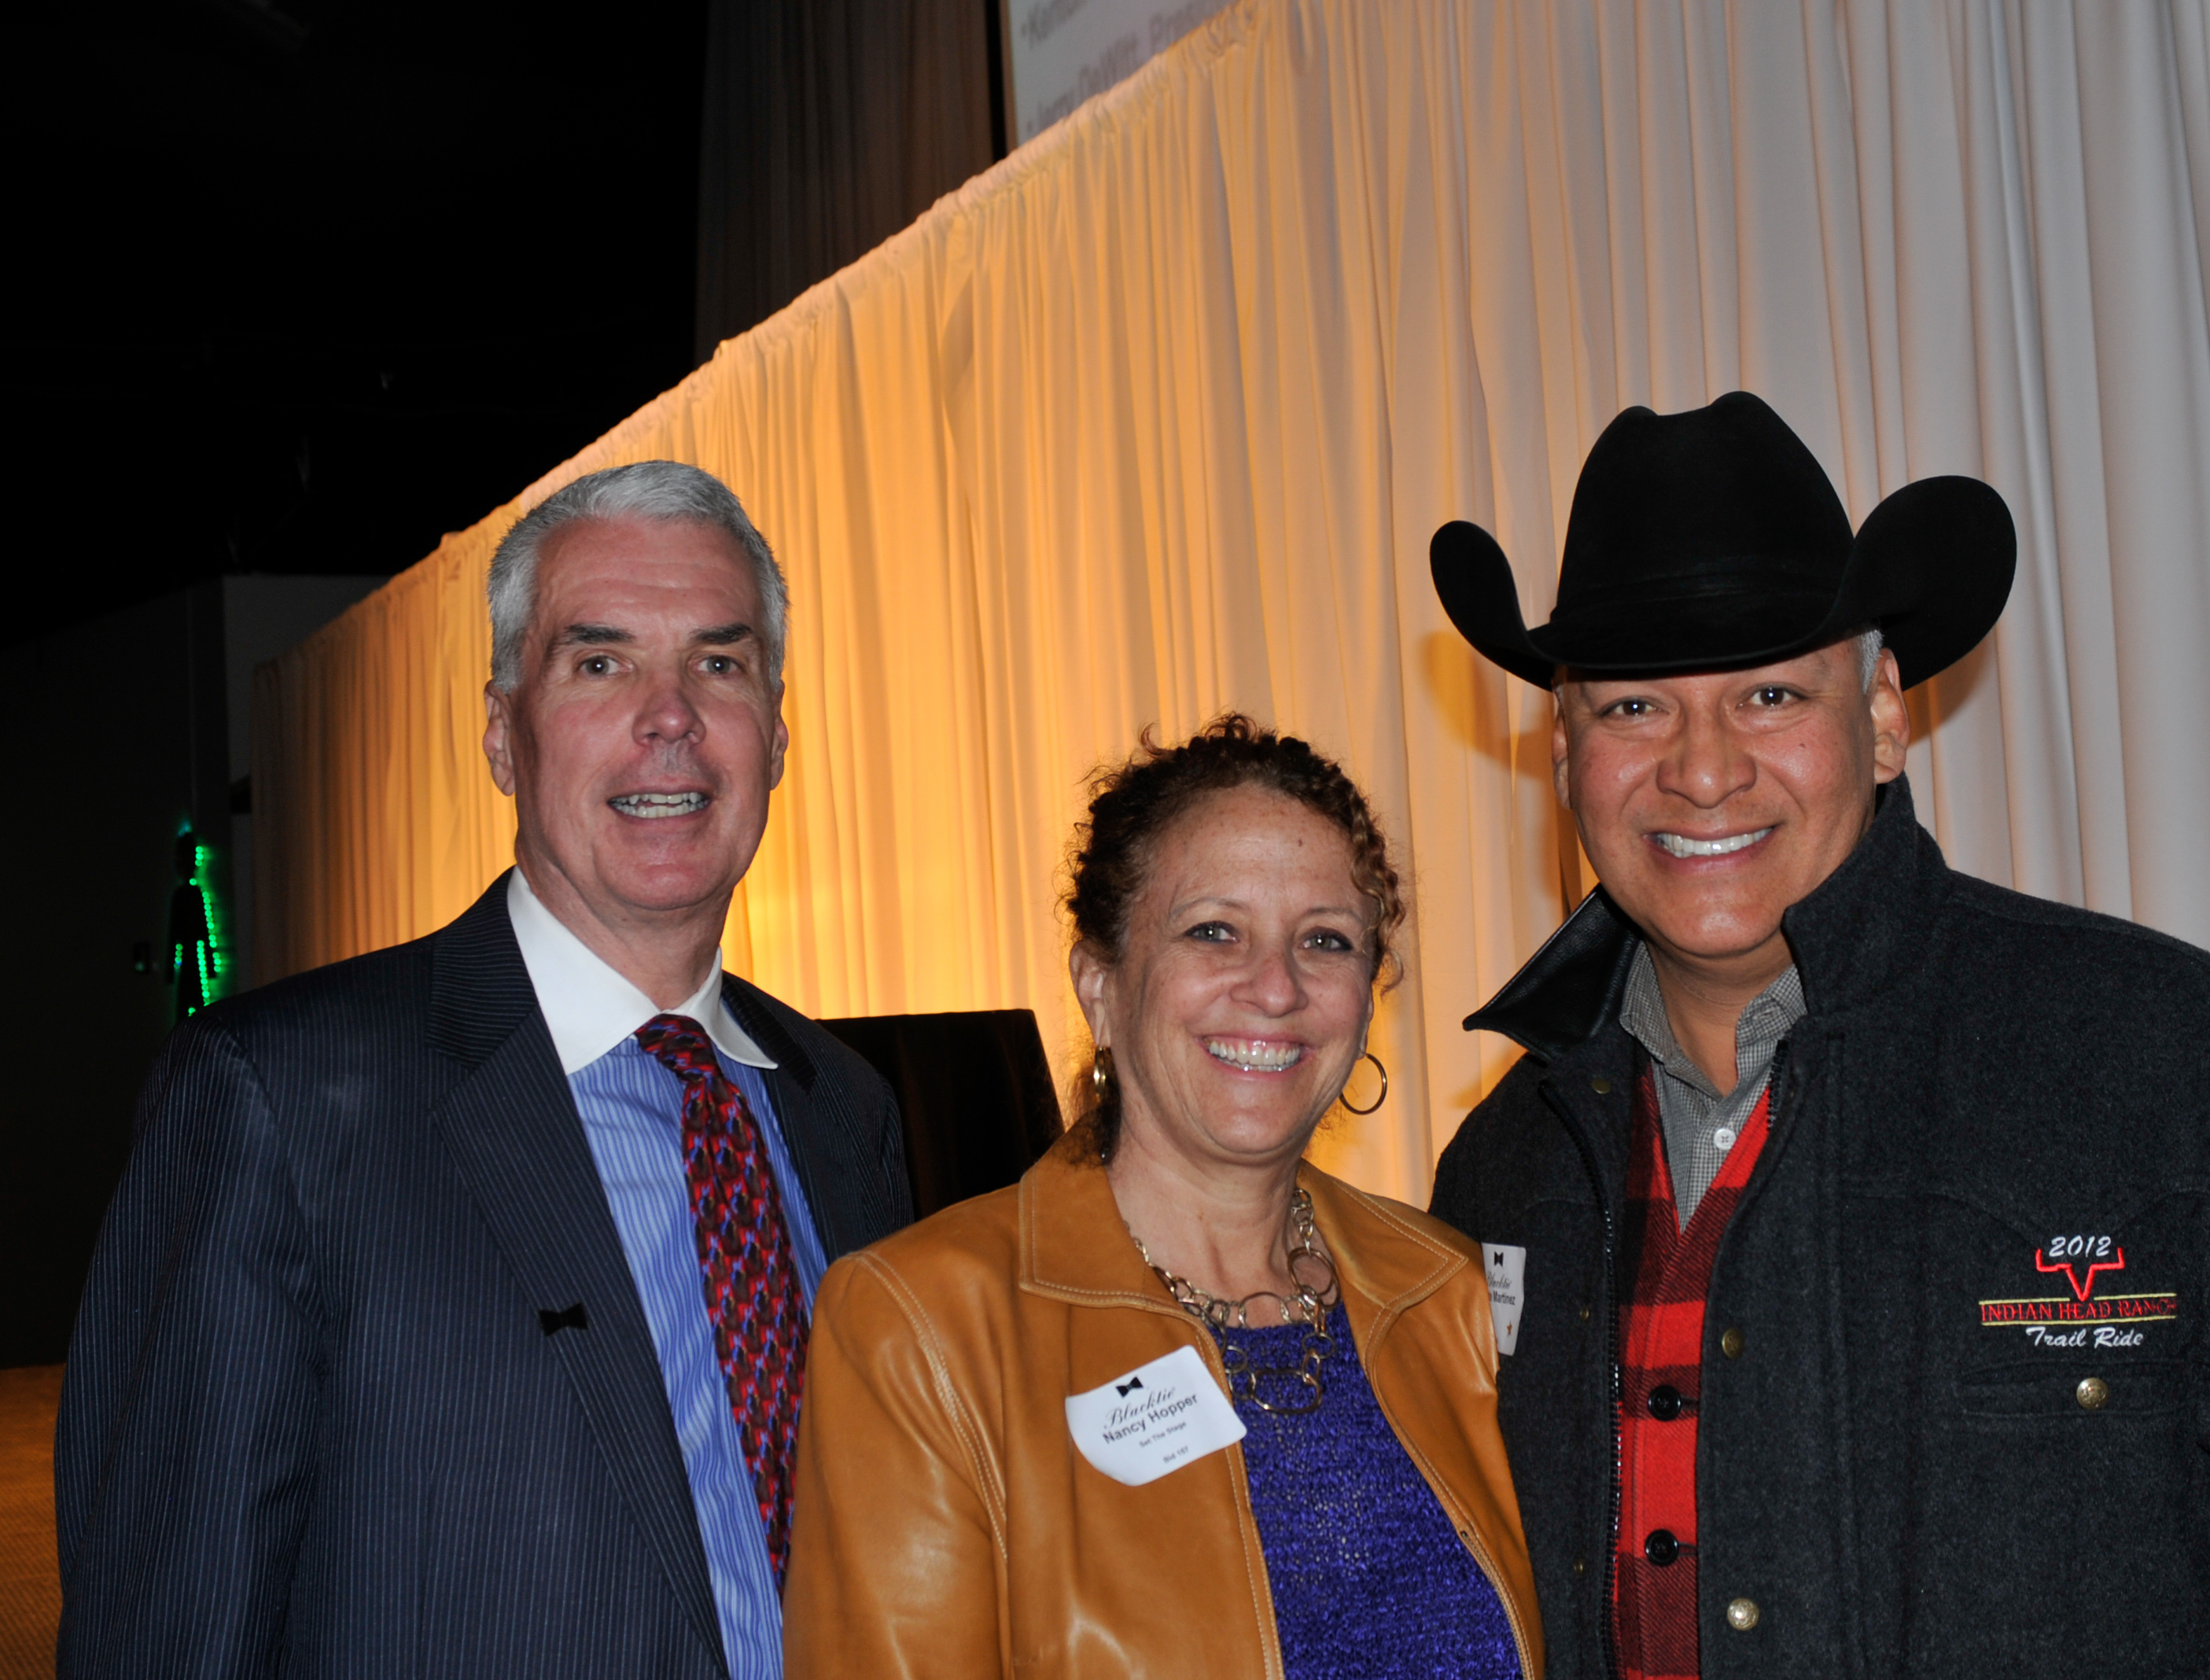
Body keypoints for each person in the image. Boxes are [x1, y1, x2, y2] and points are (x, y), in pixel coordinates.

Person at [1424, 390, 2210, 1679]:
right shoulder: (1500, 1171)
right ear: (1562, 750)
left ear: (1882, 715)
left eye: (1770, 693)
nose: (1701, 770)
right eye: (1634, 708)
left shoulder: (2195, 1082)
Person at [57, 461, 913, 1678]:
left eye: (718, 663)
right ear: (503, 736)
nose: (669, 714)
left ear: (775, 734)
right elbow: (166, 1633)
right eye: (600, 662)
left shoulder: (842, 1106)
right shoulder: (276, 1098)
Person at [784, 717, 1541, 1680]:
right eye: (1212, 931)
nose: (1274, 987)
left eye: (1325, 939)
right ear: (1099, 985)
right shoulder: (923, 1327)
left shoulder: (1449, 1293)